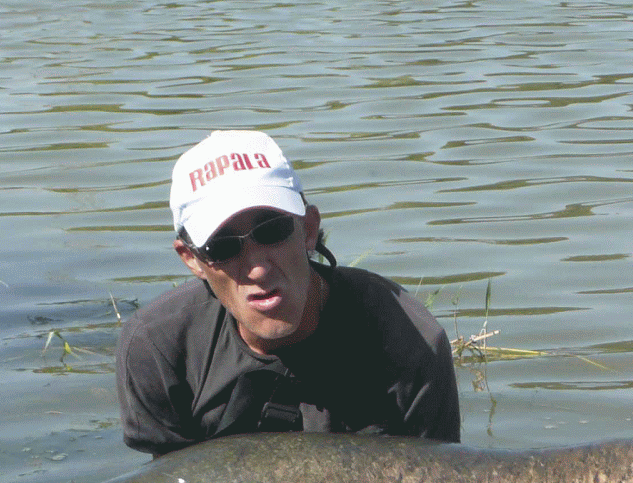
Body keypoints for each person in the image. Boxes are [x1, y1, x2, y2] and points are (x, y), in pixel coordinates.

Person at [117, 129, 460, 456]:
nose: (258, 268)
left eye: (272, 230)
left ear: (308, 230)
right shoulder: (156, 349)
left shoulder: (412, 341)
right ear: (191, 259)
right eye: (222, 247)